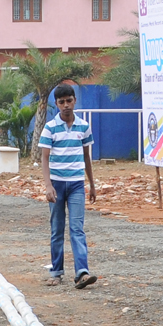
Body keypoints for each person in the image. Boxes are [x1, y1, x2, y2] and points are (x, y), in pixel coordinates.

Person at [38, 83, 98, 288]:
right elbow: (44, 158)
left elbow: (86, 156)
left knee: (77, 228)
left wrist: (92, 184)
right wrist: (48, 186)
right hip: (56, 184)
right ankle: (56, 272)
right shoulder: (50, 128)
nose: (66, 105)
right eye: (61, 102)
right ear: (56, 104)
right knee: (57, 228)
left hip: (76, 185)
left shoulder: (83, 126)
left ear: (75, 101)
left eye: (69, 101)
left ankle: (82, 272)